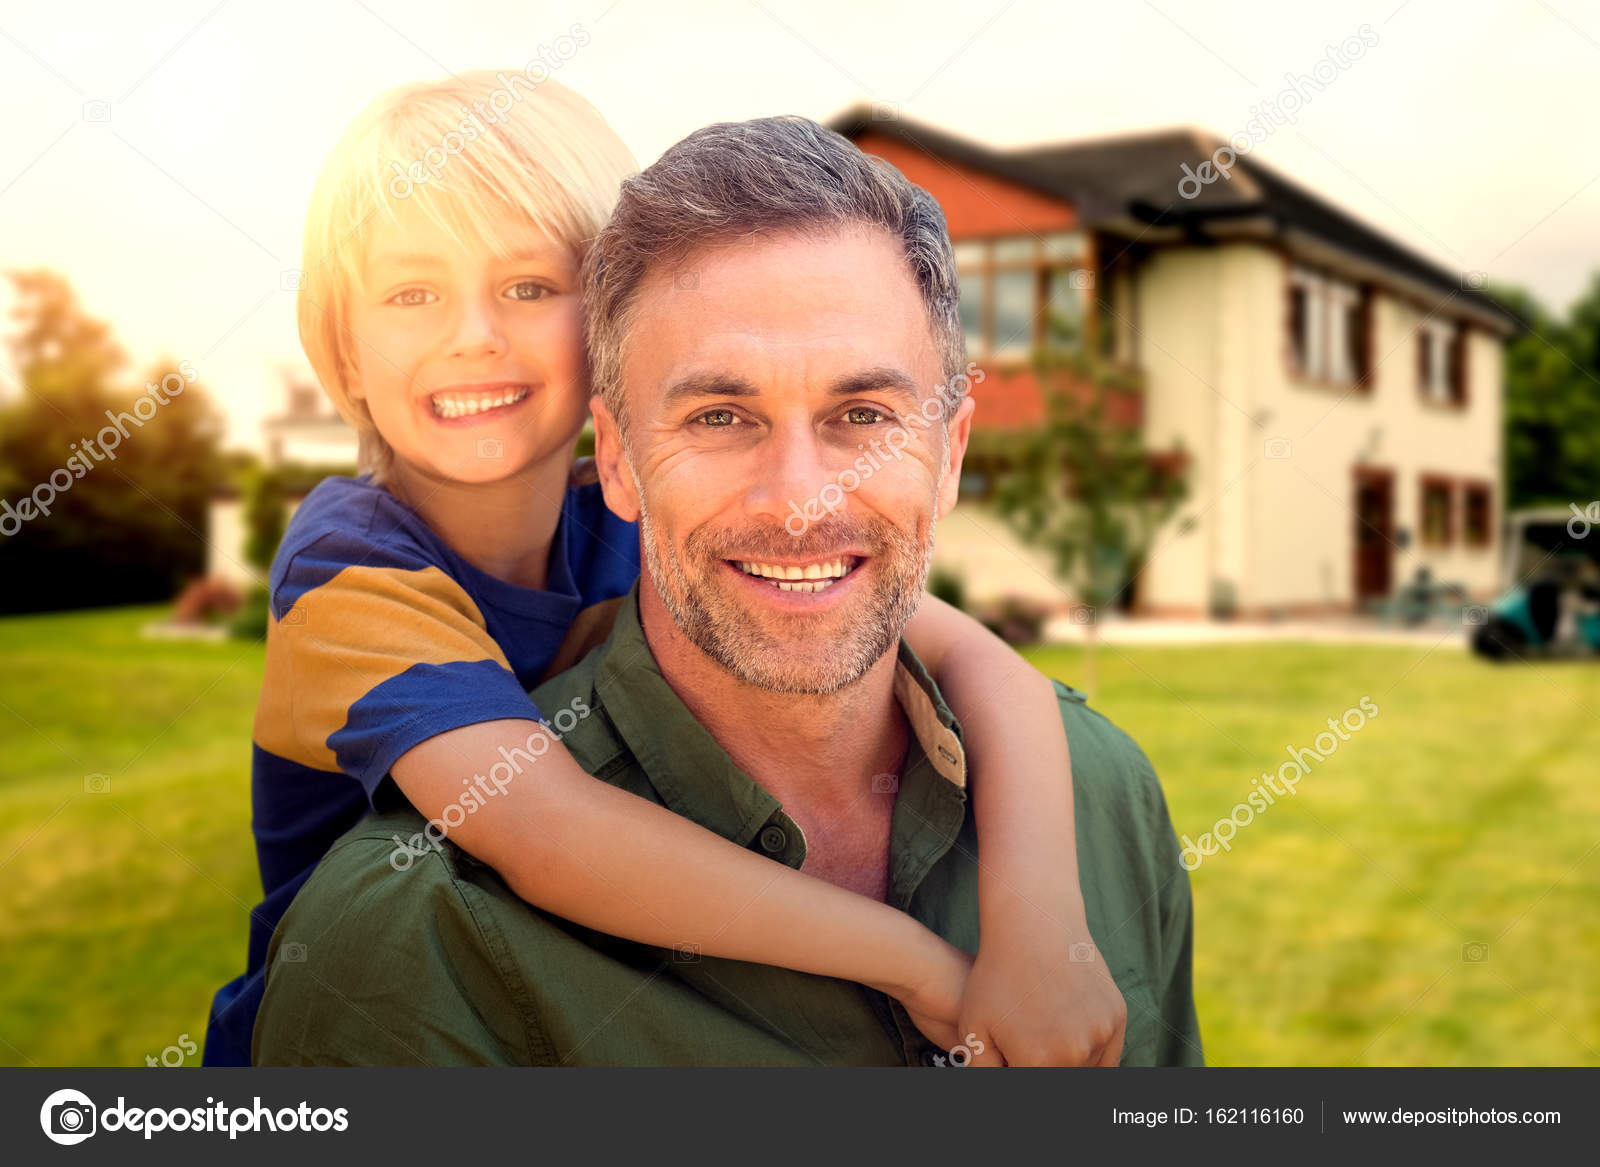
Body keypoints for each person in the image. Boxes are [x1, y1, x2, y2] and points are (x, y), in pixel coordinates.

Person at [206, 72, 1127, 1067]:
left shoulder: (630, 507)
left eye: (527, 287)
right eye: (411, 294)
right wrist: (917, 964)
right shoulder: (347, 565)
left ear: (609, 332)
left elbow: (988, 667)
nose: (472, 335)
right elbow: (545, 832)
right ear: (344, 350)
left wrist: (1040, 929)